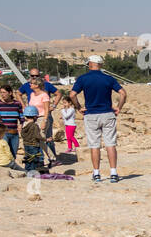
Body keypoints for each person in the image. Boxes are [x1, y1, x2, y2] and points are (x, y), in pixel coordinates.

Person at [70, 55, 126, 184]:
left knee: (94, 145)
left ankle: (96, 173)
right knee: (110, 144)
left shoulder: (83, 79)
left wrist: (78, 107)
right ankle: (113, 172)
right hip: (107, 113)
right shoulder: (108, 78)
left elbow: (72, 94)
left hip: (91, 114)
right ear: (100, 65)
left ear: (89, 64)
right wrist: (119, 107)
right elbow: (123, 93)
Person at [20, 69, 59, 164]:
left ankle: (51, 157)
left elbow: (46, 109)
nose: (30, 85)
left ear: (37, 85)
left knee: (40, 138)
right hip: (33, 119)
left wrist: (45, 121)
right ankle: (38, 159)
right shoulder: (32, 94)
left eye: (32, 84)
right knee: (34, 138)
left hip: (42, 118)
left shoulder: (44, 95)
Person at [0, 82, 24, 160]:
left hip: (14, 133)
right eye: (1, 92)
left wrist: (21, 124)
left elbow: (21, 117)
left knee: (13, 155)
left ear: (10, 93)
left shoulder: (17, 104)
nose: (2, 94)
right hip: (3, 133)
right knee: (5, 154)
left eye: (4, 92)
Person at [19, 106, 48, 175]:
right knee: (33, 160)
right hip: (34, 145)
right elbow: (37, 136)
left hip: (26, 145)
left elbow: (22, 134)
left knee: (27, 159)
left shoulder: (25, 126)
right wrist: (46, 139)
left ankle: (27, 171)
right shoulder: (35, 126)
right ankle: (32, 173)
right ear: (35, 117)